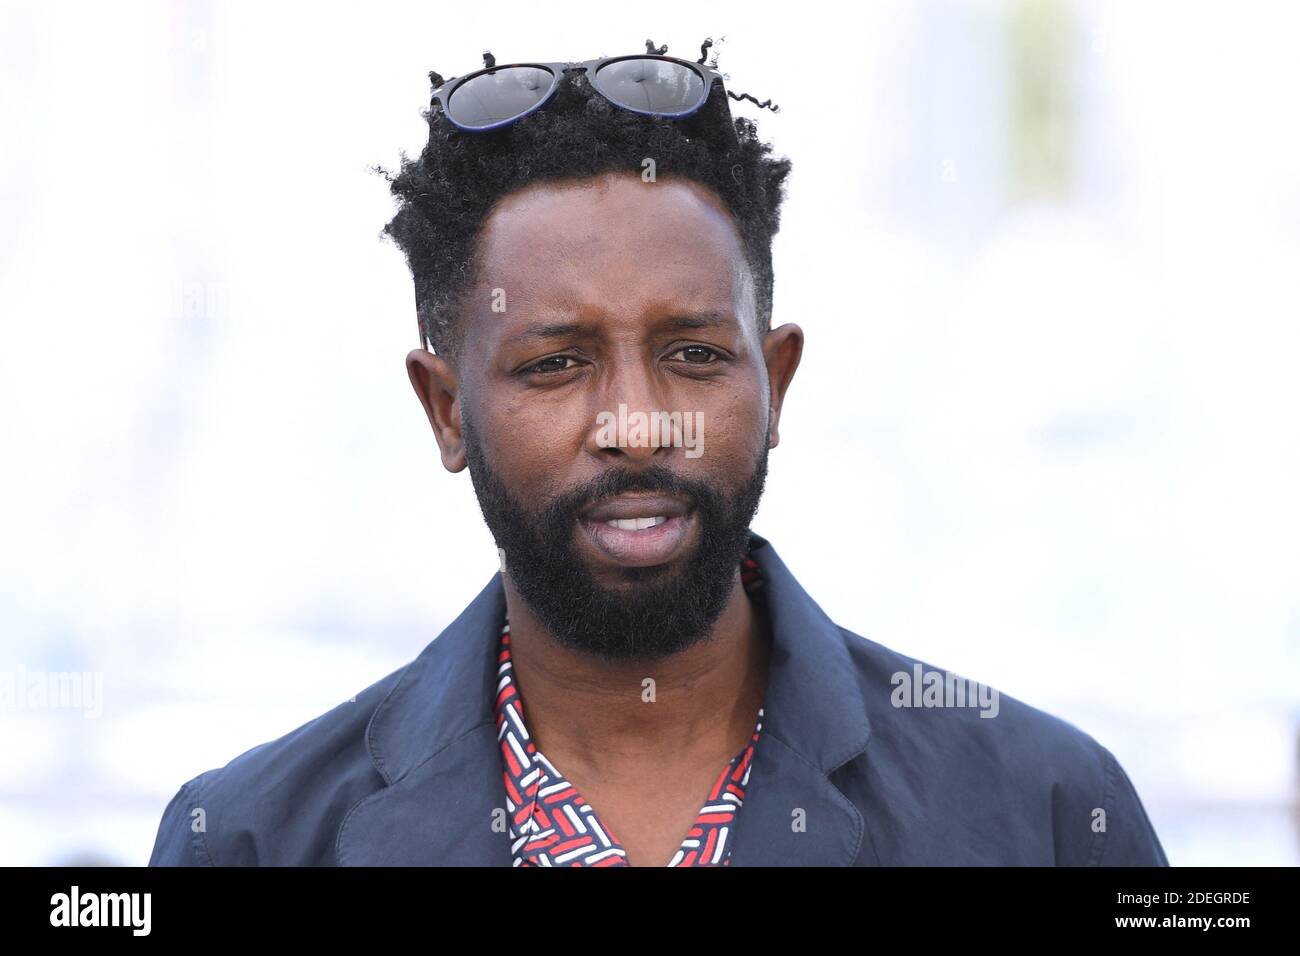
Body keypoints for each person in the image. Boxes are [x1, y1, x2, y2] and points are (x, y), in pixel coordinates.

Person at [149, 38, 1168, 866]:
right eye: (554, 363)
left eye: (692, 353)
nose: (637, 422)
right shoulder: (255, 839)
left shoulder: (1041, 811)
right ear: (445, 408)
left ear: (775, 382)